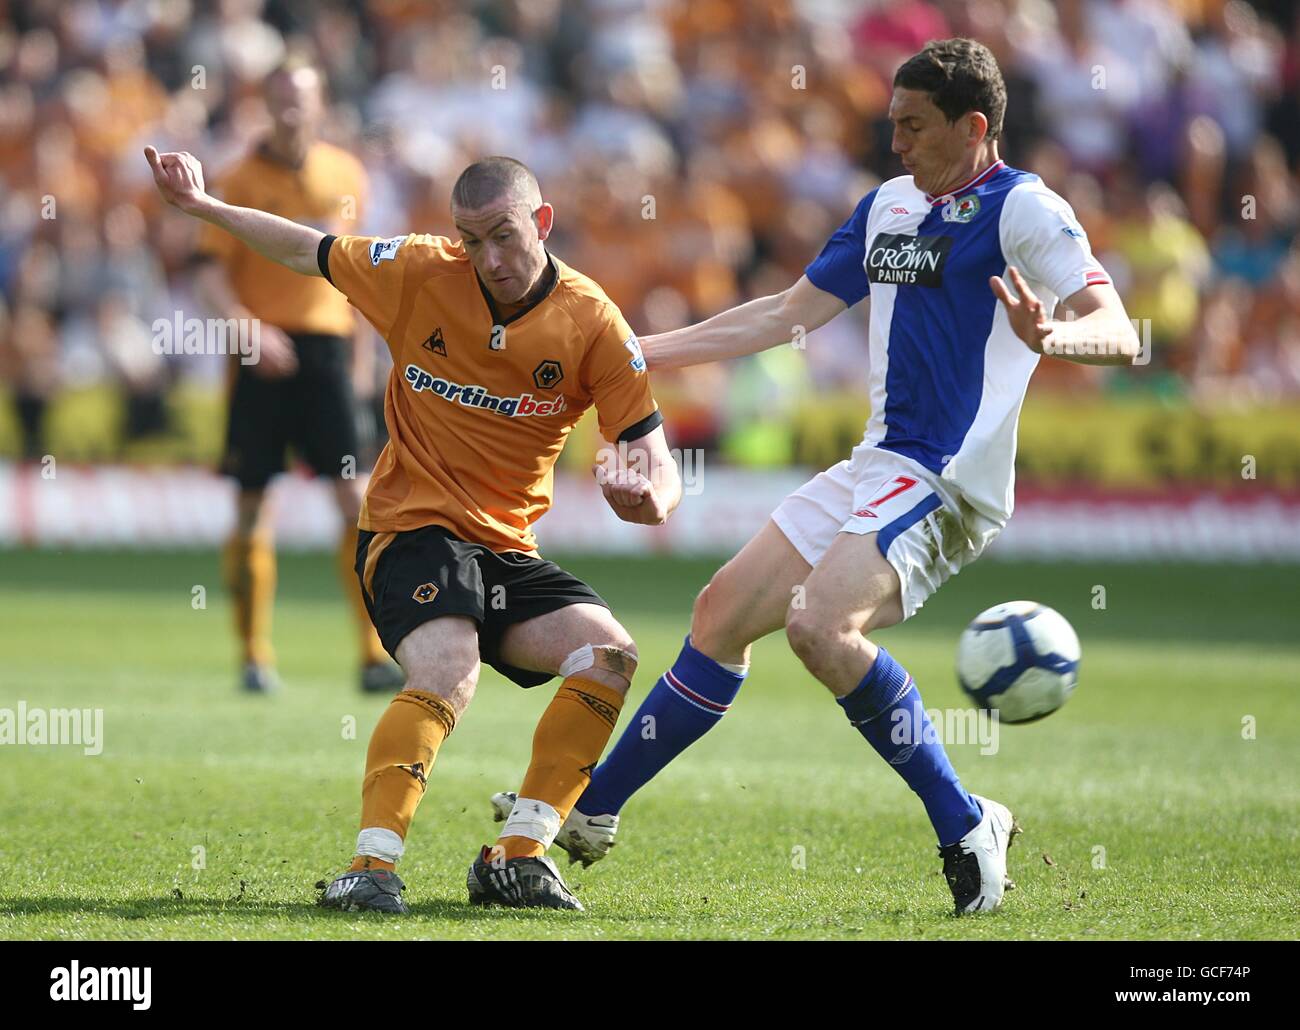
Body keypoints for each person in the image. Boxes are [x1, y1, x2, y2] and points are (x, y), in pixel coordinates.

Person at [497, 37, 1141, 915]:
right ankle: (595, 809)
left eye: (914, 127)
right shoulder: (887, 206)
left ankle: (965, 823)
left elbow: (1121, 328)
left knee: (820, 627)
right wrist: (640, 352)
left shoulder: (1024, 208)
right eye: (892, 125)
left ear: (974, 126)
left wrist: (1055, 338)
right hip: (879, 462)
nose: (898, 143)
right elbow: (787, 313)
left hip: (950, 480)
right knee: (721, 614)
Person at [147, 144, 682, 912]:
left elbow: (653, 458)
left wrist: (650, 501)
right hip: (410, 529)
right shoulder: (418, 270)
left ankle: (519, 856)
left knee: (609, 656)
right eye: (470, 239)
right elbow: (307, 247)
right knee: (449, 669)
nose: (486, 257)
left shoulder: (593, 321)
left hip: (505, 548)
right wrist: (204, 208)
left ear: (543, 221)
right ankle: (374, 867)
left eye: (503, 234)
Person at [191, 58, 401, 694]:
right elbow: (207, 274)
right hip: (262, 356)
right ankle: (254, 656)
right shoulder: (235, 178)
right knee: (254, 503)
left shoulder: (346, 174)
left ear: (320, 104)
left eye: (301, 100)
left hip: (329, 356)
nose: (291, 112)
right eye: (280, 100)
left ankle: (371, 653)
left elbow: (357, 270)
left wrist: (364, 361)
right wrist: (245, 327)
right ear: (265, 104)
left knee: (354, 502)